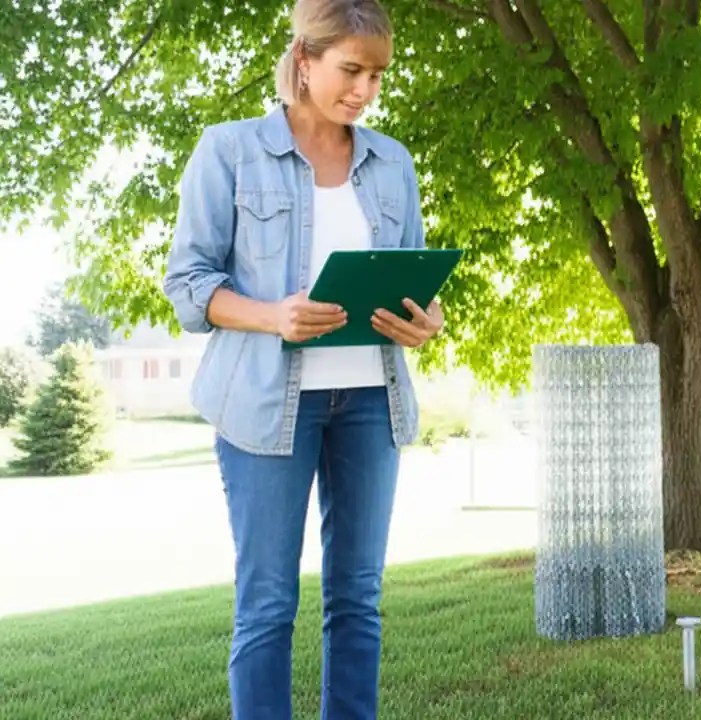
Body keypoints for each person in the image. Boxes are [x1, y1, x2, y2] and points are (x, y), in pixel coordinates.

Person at [162, 1, 441, 717]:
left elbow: (409, 278)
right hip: (263, 408)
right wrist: (272, 316)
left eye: (377, 75)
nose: (365, 90)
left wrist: (423, 320)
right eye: (351, 70)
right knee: (267, 603)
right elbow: (189, 285)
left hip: (369, 403)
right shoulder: (228, 150)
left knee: (358, 599)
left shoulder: (392, 164)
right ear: (305, 59)